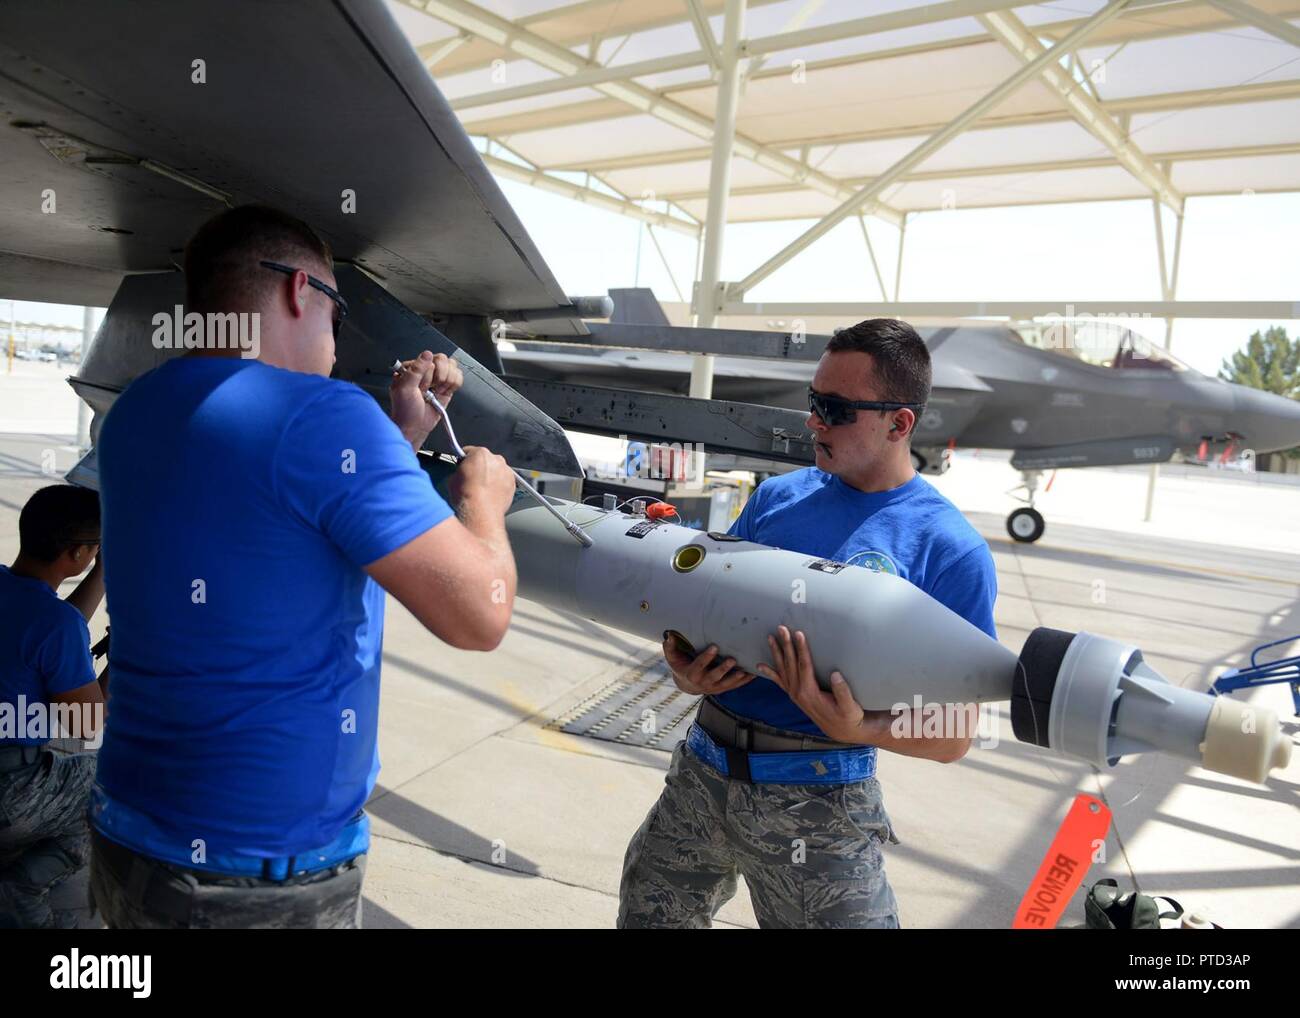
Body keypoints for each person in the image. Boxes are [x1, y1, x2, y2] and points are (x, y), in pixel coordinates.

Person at [89, 205, 519, 928]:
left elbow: (270, 506)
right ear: (299, 292)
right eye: (337, 312)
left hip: (129, 833)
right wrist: (484, 502)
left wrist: (399, 434)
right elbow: (481, 615)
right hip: (254, 878)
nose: (333, 338)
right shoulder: (325, 416)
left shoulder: (137, 408)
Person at [618, 318, 998, 929]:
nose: (813, 421)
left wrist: (858, 724)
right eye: (813, 401)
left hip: (818, 807)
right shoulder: (777, 499)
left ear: (899, 423)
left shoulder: (948, 551)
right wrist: (687, 665)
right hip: (701, 775)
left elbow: (953, 735)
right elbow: (708, 603)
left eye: (835, 408)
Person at [0, 484, 106, 927]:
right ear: (77, 553)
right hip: (10, 792)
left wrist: (102, 572)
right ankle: (20, 890)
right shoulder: (55, 626)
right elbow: (87, 723)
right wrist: (126, 663)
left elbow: (53, 630)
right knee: (106, 793)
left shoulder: (17, 593)